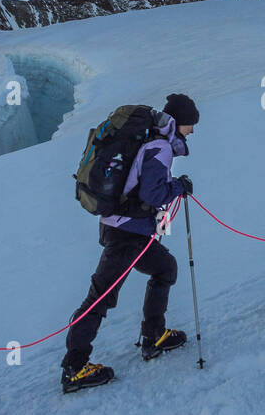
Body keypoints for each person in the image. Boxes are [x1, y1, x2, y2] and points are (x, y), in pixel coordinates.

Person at [61, 94, 198, 391]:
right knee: (100, 296)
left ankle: (153, 336)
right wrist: (179, 186)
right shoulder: (160, 146)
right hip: (127, 232)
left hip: (124, 228)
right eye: (191, 125)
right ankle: (75, 367)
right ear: (180, 122)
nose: (192, 131)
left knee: (165, 268)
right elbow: (153, 194)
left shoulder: (151, 139)